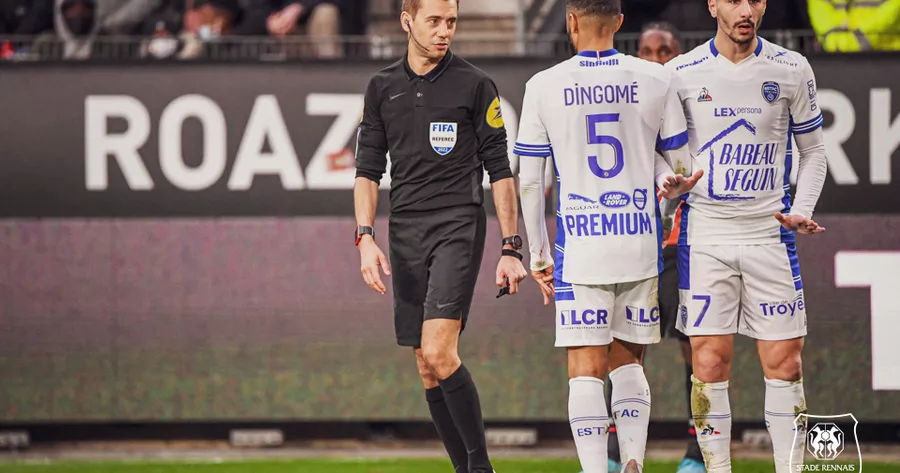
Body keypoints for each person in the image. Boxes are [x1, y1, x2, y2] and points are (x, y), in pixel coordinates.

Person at [516, 1, 702, 472]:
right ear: (619, 22)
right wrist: (663, 209)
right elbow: (681, 170)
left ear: (571, 21)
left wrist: (538, 255)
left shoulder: (543, 85)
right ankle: (635, 459)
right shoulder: (658, 78)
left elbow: (531, 182)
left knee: (585, 369)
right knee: (628, 361)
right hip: (639, 241)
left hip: (582, 245)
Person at [353, 1, 528, 472]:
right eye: (434, 21)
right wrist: (365, 237)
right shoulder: (381, 87)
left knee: (438, 350)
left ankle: (482, 468)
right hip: (404, 230)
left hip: (457, 224)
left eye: (451, 21)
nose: (444, 31)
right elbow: (367, 171)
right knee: (425, 365)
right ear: (407, 21)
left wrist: (511, 247)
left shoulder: (475, 84)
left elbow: (500, 170)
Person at [665, 1, 828, 472]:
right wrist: (669, 182)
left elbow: (814, 151)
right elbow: (660, 150)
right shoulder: (681, 72)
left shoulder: (791, 68)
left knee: (786, 365)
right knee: (709, 364)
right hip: (706, 236)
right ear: (712, 4)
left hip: (769, 236)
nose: (745, 10)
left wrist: (801, 210)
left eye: (754, 0)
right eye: (734, 0)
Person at [636, 21, 707, 473]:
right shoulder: (626, 107)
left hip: (682, 245)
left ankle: (697, 450)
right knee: (625, 349)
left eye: (666, 50)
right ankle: (618, 451)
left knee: (694, 349)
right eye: (649, 50)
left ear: (678, 56)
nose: (658, 58)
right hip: (633, 243)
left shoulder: (692, 106)